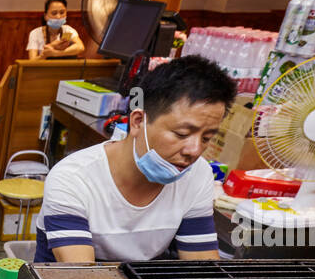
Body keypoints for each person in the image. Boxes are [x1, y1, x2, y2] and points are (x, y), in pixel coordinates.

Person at [35, 55, 236, 263]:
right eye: (182, 134)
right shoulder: (73, 179)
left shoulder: (197, 175)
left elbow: (201, 267)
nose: (194, 151)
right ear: (138, 122)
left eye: (206, 138)